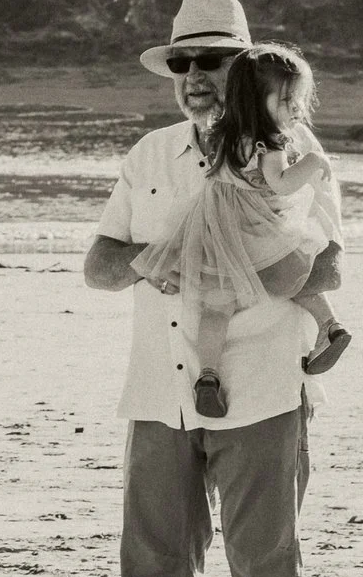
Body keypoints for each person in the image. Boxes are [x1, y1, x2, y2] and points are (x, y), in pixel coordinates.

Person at [84, 0, 344, 577]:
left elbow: (327, 260)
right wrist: (157, 258)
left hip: (262, 385)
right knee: (152, 563)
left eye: (213, 61)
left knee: (265, 563)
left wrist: (224, 267)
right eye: (182, 63)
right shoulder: (150, 155)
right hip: (157, 391)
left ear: (245, 69)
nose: (195, 76)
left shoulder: (286, 148)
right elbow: (98, 265)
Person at [133, 44, 349, 417]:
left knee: (215, 309)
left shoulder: (223, 135)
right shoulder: (270, 143)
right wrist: (313, 161)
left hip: (213, 232)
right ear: (258, 100)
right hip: (255, 232)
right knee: (296, 274)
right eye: (287, 100)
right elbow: (280, 184)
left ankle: (208, 377)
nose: (295, 109)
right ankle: (329, 326)